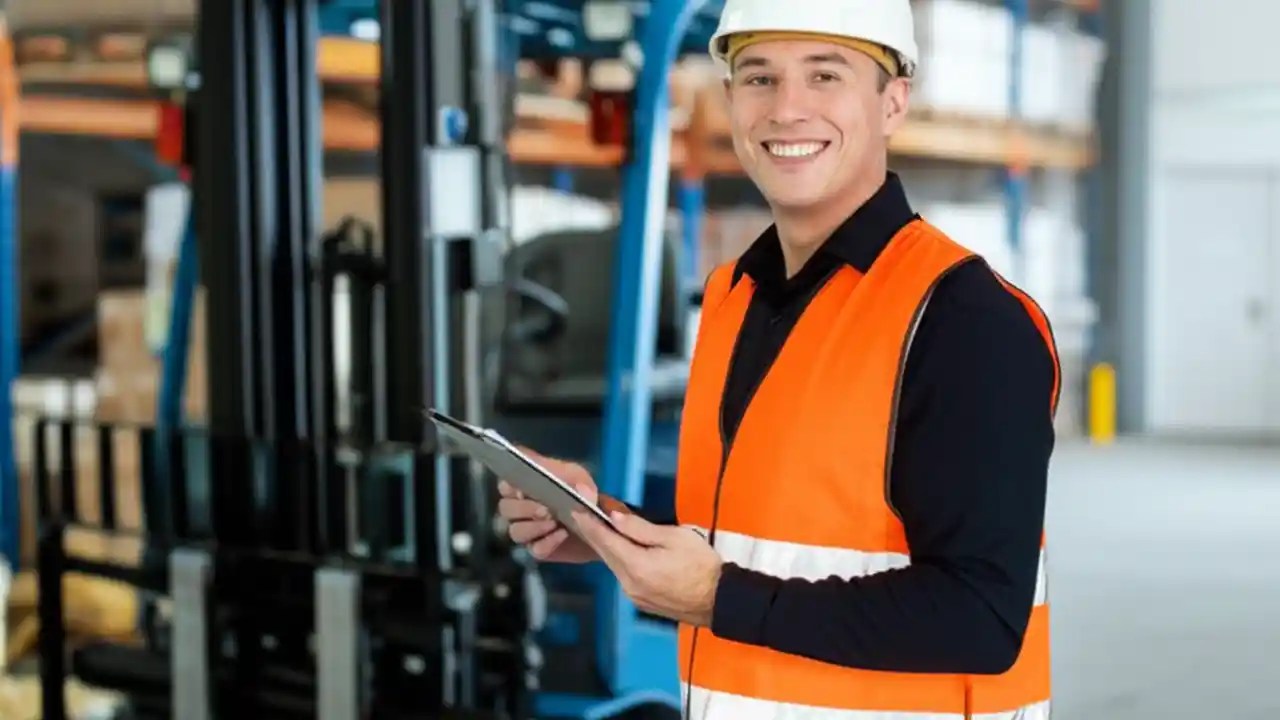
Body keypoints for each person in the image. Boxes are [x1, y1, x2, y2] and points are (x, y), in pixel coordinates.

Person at [498, 0, 1059, 718]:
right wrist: (604, 523)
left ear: (893, 102)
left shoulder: (965, 319)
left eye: (824, 76)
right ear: (731, 101)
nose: (786, 109)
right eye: (758, 78)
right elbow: (758, 521)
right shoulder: (735, 296)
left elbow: (981, 618)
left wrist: (716, 599)